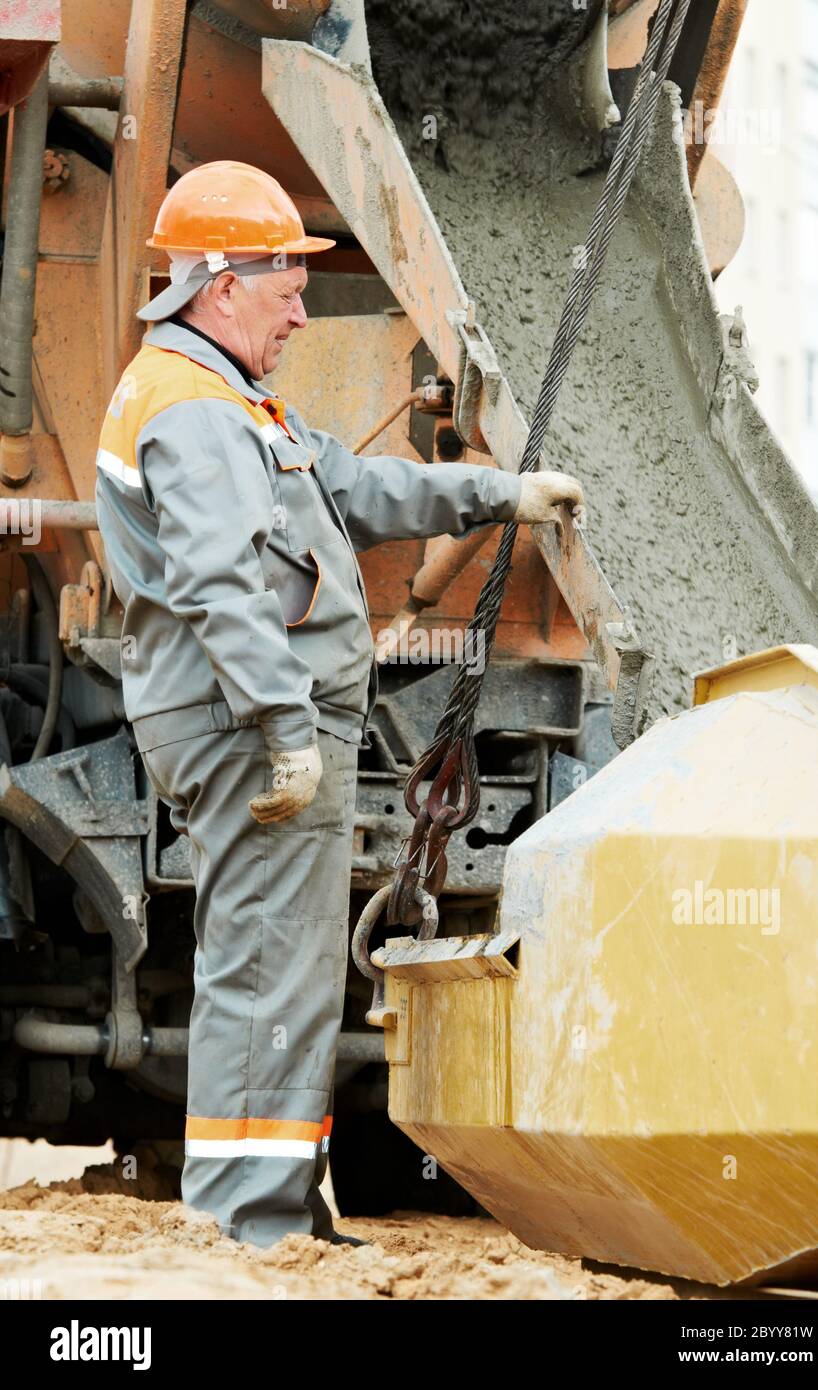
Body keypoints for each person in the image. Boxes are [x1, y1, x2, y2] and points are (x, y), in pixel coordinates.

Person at [95, 160, 584, 1247]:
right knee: (271, 965)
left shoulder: (222, 396)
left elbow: (354, 490)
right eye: (288, 285)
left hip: (239, 719)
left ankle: (274, 1208)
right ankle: (249, 1222)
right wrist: (281, 729)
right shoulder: (192, 408)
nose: (304, 308)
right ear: (223, 284)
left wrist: (498, 493)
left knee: (283, 963)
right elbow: (220, 583)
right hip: (243, 724)